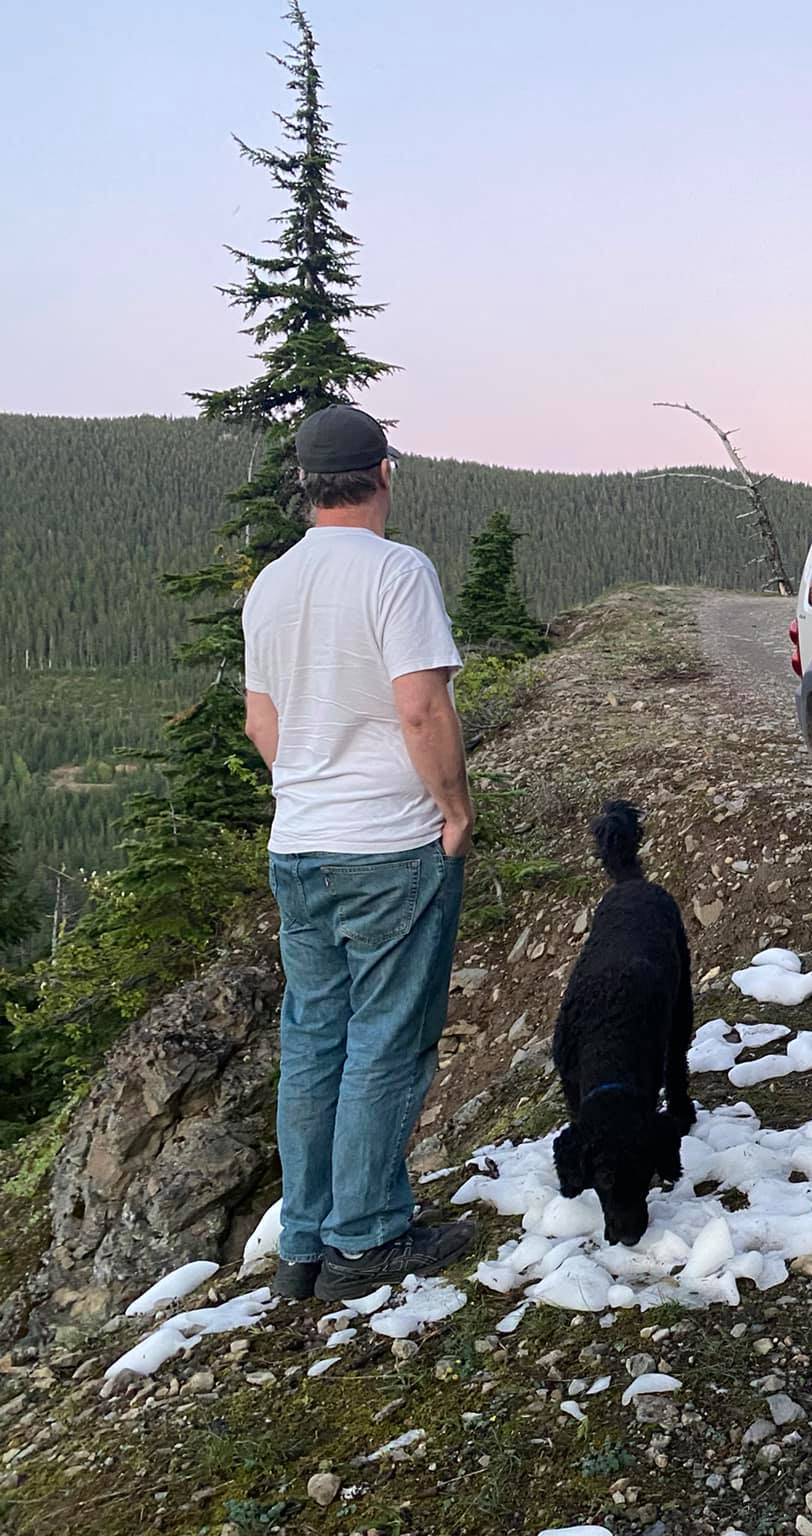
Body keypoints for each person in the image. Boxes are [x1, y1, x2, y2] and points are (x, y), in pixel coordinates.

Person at [241, 403, 477, 1303]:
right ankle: (369, 1237)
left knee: (312, 1038)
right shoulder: (398, 572)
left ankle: (304, 1243)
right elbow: (421, 708)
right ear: (385, 474)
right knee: (386, 1036)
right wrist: (453, 809)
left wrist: (307, 783)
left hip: (298, 842)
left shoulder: (271, 585)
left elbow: (263, 721)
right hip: (388, 842)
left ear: (305, 484)